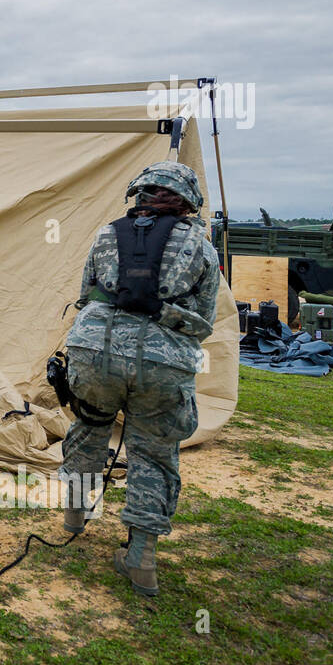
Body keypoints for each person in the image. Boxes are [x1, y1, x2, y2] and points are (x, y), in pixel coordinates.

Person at [58, 161, 220, 597]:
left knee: (89, 427)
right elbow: (205, 316)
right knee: (153, 452)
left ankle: (75, 515)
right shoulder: (202, 247)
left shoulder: (107, 234)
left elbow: (84, 294)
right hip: (162, 363)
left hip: (96, 353)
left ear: (140, 194)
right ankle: (141, 559)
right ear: (187, 200)